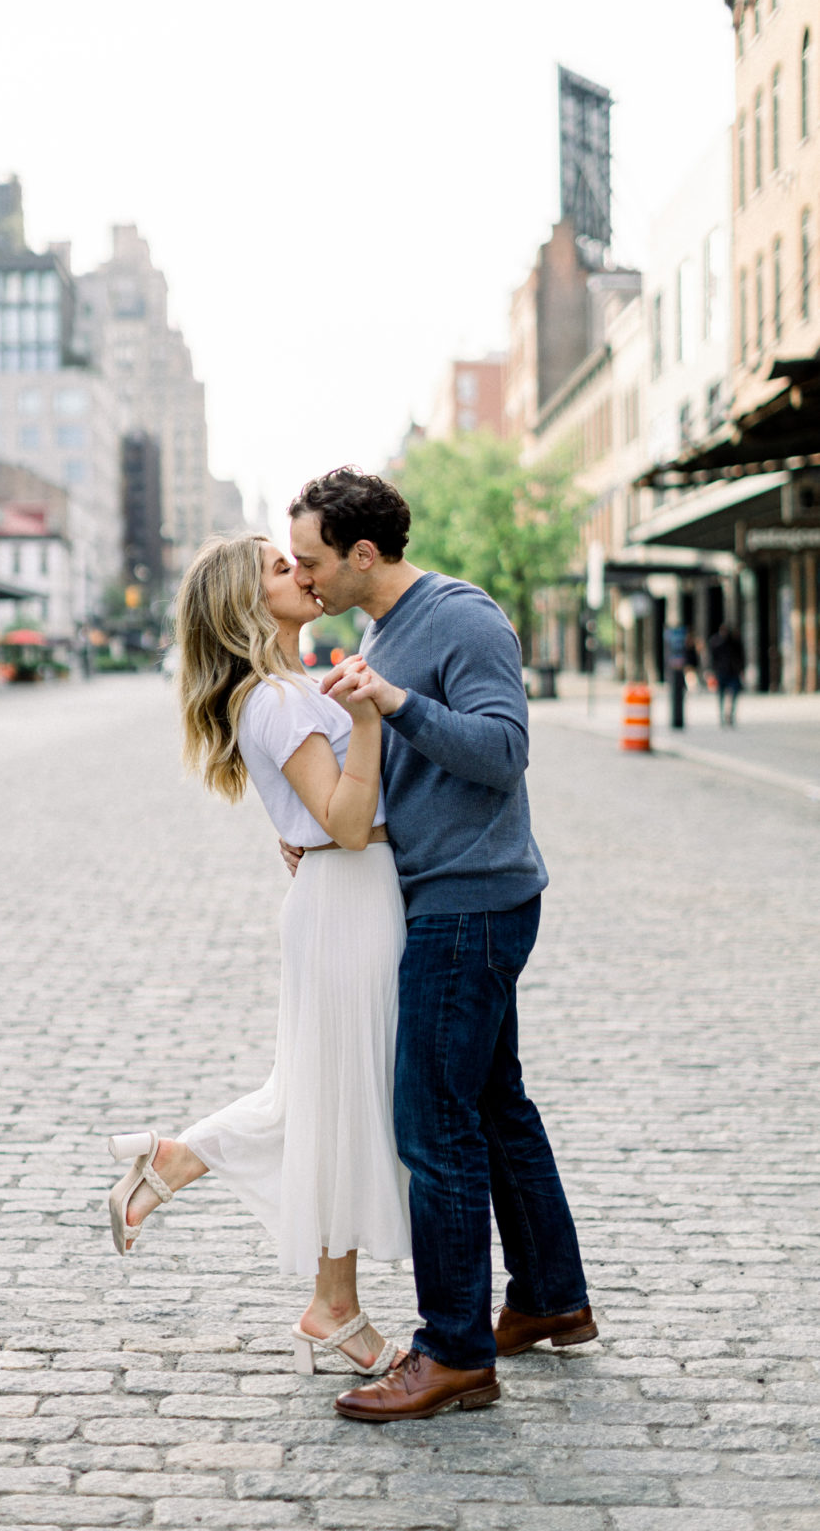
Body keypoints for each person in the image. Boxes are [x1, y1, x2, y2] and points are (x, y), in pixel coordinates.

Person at [284, 468, 595, 1424]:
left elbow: (503, 754)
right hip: (447, 897)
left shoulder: (461, 619)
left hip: (470, 903)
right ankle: (547, 1298)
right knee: (495, 1105)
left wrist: (395, 703)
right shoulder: (381, 628)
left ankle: (453, 1351)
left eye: (311, 561)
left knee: (434, 1125)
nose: (304, 578)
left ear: (363, 555)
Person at [106, 533, 412, 1379]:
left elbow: (327, 821)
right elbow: (347, 822)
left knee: (328, 1099)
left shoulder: (289, 690)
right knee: (346, 1107)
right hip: (348, 895)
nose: (304, 574)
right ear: (248, 603)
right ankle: (334, 1310)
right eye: (283, 569)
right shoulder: (279, 701)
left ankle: (180, 1164)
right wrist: (365, 718)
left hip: (347, 895)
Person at [708, 622, 745, 726]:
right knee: (721, 695)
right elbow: (712, 658)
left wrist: (741, 670)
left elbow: (741, 657)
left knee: (733, 694)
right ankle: (722, 715)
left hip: (732, 672)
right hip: (721, 672)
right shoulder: (716, 642)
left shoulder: (734, 642)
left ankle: (730, 714)